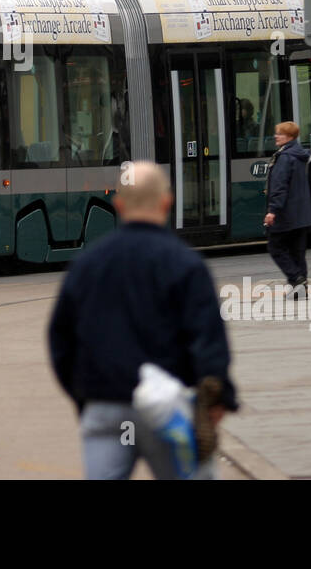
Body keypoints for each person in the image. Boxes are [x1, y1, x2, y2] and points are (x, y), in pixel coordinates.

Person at [47, 161, 239, 479]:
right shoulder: (185, 263)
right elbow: (208, 339)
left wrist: (84, 396)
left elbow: (60, 340)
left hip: (105, 408)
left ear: (118, 205)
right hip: (166, 409)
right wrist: (219, 398)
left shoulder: (86, 264)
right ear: (167, 202)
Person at [263, 121, 311, 297]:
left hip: (286, 213)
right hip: (303, 213)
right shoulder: (301, 154)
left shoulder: (285, 157)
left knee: (275, 247)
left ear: (290, 137)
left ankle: (296, 278)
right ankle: (300, 289)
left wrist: (272, 211)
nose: (276, 136)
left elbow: (279, 187)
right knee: (297, 251)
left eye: (280, 133)